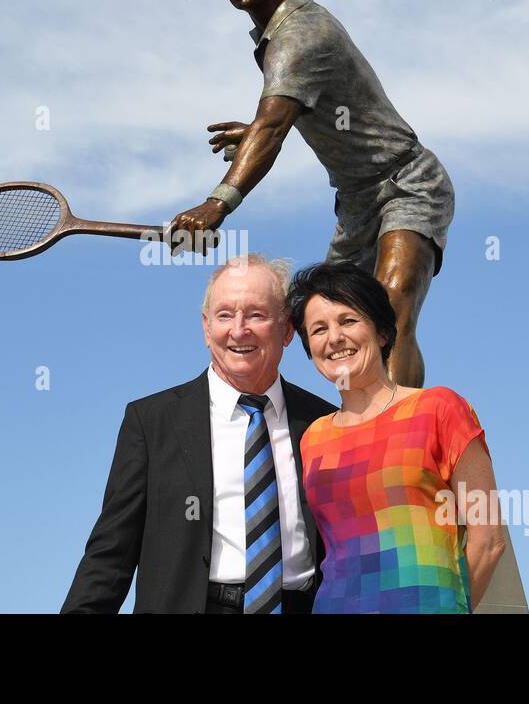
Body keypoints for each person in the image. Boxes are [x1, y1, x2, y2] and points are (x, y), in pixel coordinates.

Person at [168, 0, 455, 389]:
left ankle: (402, 435)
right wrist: (260, 128)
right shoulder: (275, 36)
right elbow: (288, 115)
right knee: (328, 319)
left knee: (390, 304)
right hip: (357, 203)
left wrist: (217, 203)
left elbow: (276, 124)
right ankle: (358, 418)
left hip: (408, 184)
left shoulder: (300, 36)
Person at [62, 254, 337, 613]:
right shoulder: (152, 421)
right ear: (206, 329)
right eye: (224, 315)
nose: (239, 330)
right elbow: (110, 554)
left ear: (286, 329)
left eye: (256, 314)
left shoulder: (325, 422)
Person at [286, 261, 505, 613]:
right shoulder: (313, 438)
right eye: (318, 329)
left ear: (382, 333)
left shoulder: (439, 409)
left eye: (348, 320)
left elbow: (489, 540)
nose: (335, 338)